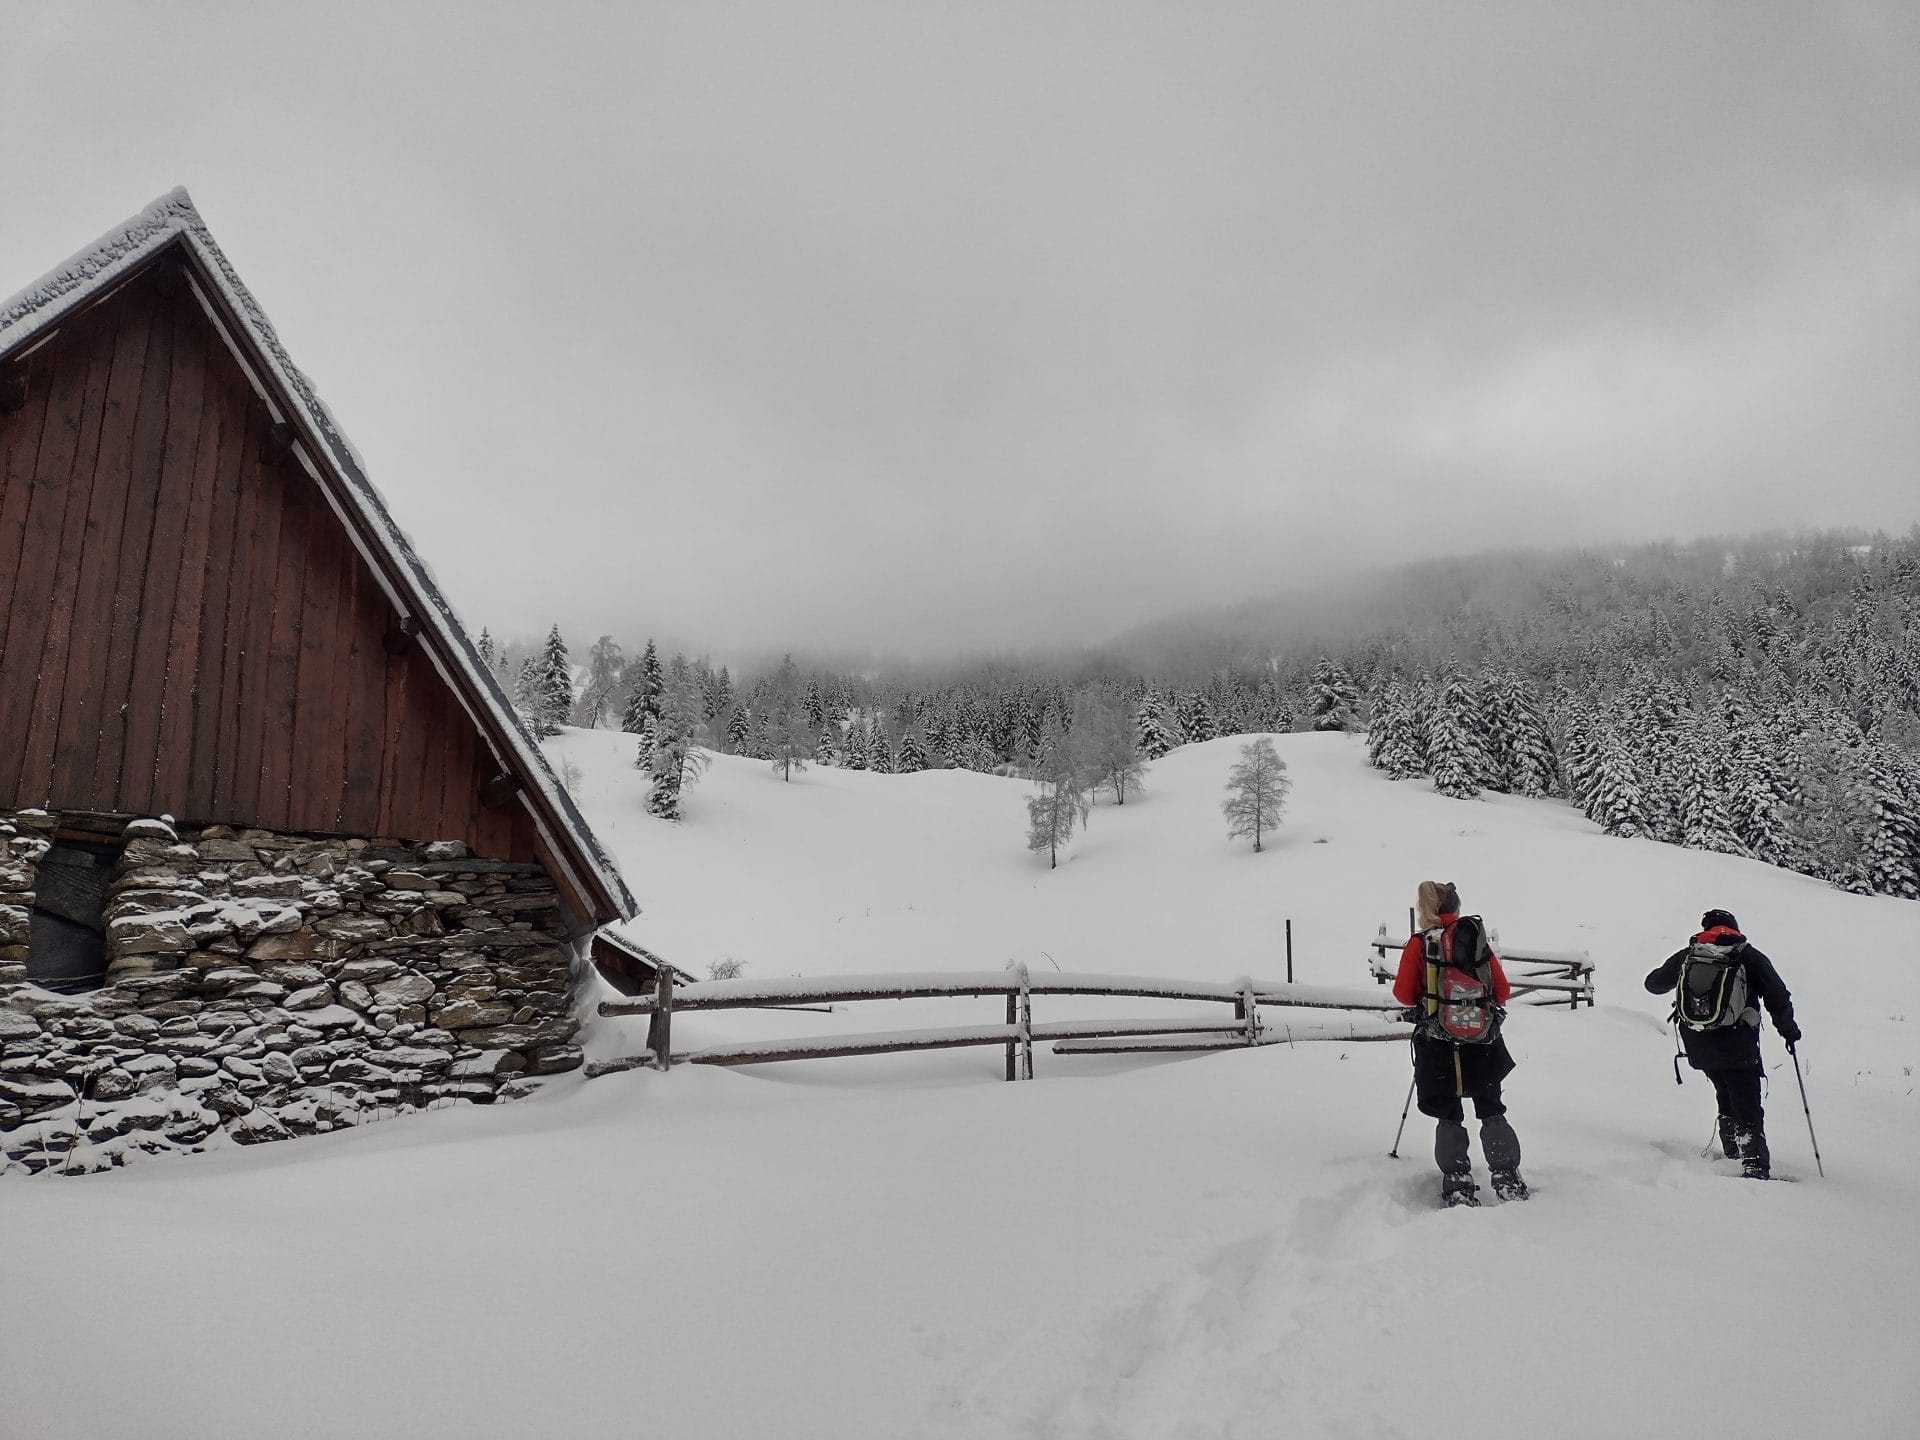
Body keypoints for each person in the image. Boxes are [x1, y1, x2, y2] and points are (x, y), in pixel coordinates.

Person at [1392, 880, 1526, 1206]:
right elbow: (1503, 991)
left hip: (1439, 1046)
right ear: (1454, 907)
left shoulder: (1420, 944)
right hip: (1483, 1043)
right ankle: (1507, 1177)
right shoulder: (1475, 938)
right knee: (1491, 1108)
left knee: (1449, 1113)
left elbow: (1402, 994)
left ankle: (1457, 1185)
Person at [1644, 909, 1799, 1179]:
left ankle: (1732, 1153)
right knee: (1746, 1100)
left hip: (1699, 1042)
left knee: (1725, 1091)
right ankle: (1754, 1166)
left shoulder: (1691, 954)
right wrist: (1789, 1031)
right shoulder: (1748, 955)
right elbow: (1778, 995)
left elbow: (1653, 985)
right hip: (1738, 1042)